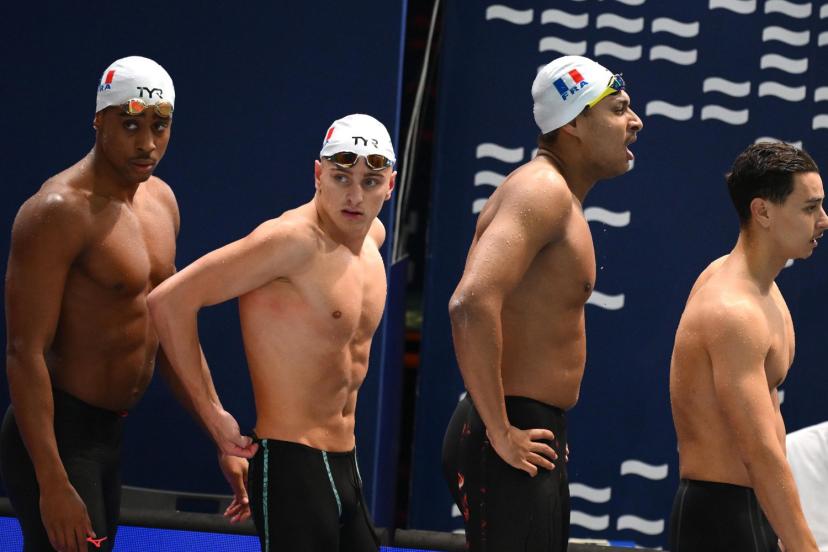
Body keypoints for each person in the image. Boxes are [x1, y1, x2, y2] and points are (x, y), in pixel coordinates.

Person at [147, 113, 396, 552]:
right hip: (290, 465)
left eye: (371, 182)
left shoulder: (371, 237)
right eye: (341, 177)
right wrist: (214, 417)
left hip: (347, 464)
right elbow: (168, 302)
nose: (355, 195)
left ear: (390, 185)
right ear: (318, 174)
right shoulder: (289, 242)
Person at [441, 55, 643, 551]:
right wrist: (501, 430)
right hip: (508, 430)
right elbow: (469, 302)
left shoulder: (559, 199)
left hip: (530, 429)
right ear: (573, 123)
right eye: (618, 110)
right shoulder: (541, 191)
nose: (635, 122)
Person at [1, 56, 180, 552]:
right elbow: (23, 352)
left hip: (108, 437)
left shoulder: (162, 202)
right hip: (58, 436)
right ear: (99, 121)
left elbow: (167, 325)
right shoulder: (57, 212)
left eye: (159, 126)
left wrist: (219, 429)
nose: (147, 143)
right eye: (130, 125)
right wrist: (53, 482)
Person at [669, 142, 826, 551]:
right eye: (810, 208)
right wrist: (803, 545)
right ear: (763, 212)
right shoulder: (733, 311)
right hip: (720, 519)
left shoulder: (764, 291)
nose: (823, 220)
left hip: (751, 507)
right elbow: (758, 450)